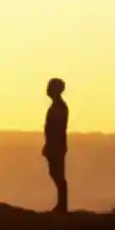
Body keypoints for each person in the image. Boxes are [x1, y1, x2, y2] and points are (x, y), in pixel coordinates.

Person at [42, 78, 69, 213]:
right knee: (55, 173)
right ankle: (61, 204)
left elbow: (57, 129)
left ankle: (62, 205)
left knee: (58, 174)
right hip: (55, 145)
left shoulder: (59, 107)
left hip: (56, 145)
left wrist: (51, 144)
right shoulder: (58, 106)